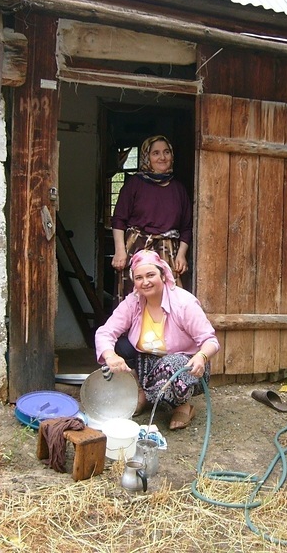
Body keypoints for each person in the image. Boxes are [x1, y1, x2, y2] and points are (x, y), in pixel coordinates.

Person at [95, 249, 220, 430]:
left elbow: (210, 340)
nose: (145, 282)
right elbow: (106, 332)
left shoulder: (184, 303)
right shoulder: (133, 303)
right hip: (147, 362)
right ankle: (142, 392)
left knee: (171, 363)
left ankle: (183, 405)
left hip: (187, 367)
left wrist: (202, 357)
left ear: (163, 275)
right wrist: (110, 356)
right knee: (120, 347)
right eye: (139, 278)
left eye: (150, 275)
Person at [111, 135, 192, 305]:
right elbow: (119, 219)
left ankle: (165, 333)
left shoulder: (178, 189)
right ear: (147, 157)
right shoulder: (134, 184)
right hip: (136, 248)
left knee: (169, 301)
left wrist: (181, 255)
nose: (162, 157)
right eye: (156, 153)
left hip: (167, 250)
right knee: (134, 300)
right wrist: (120, 251)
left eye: (166, 152)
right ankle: (134, 333)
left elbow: (186, 227)